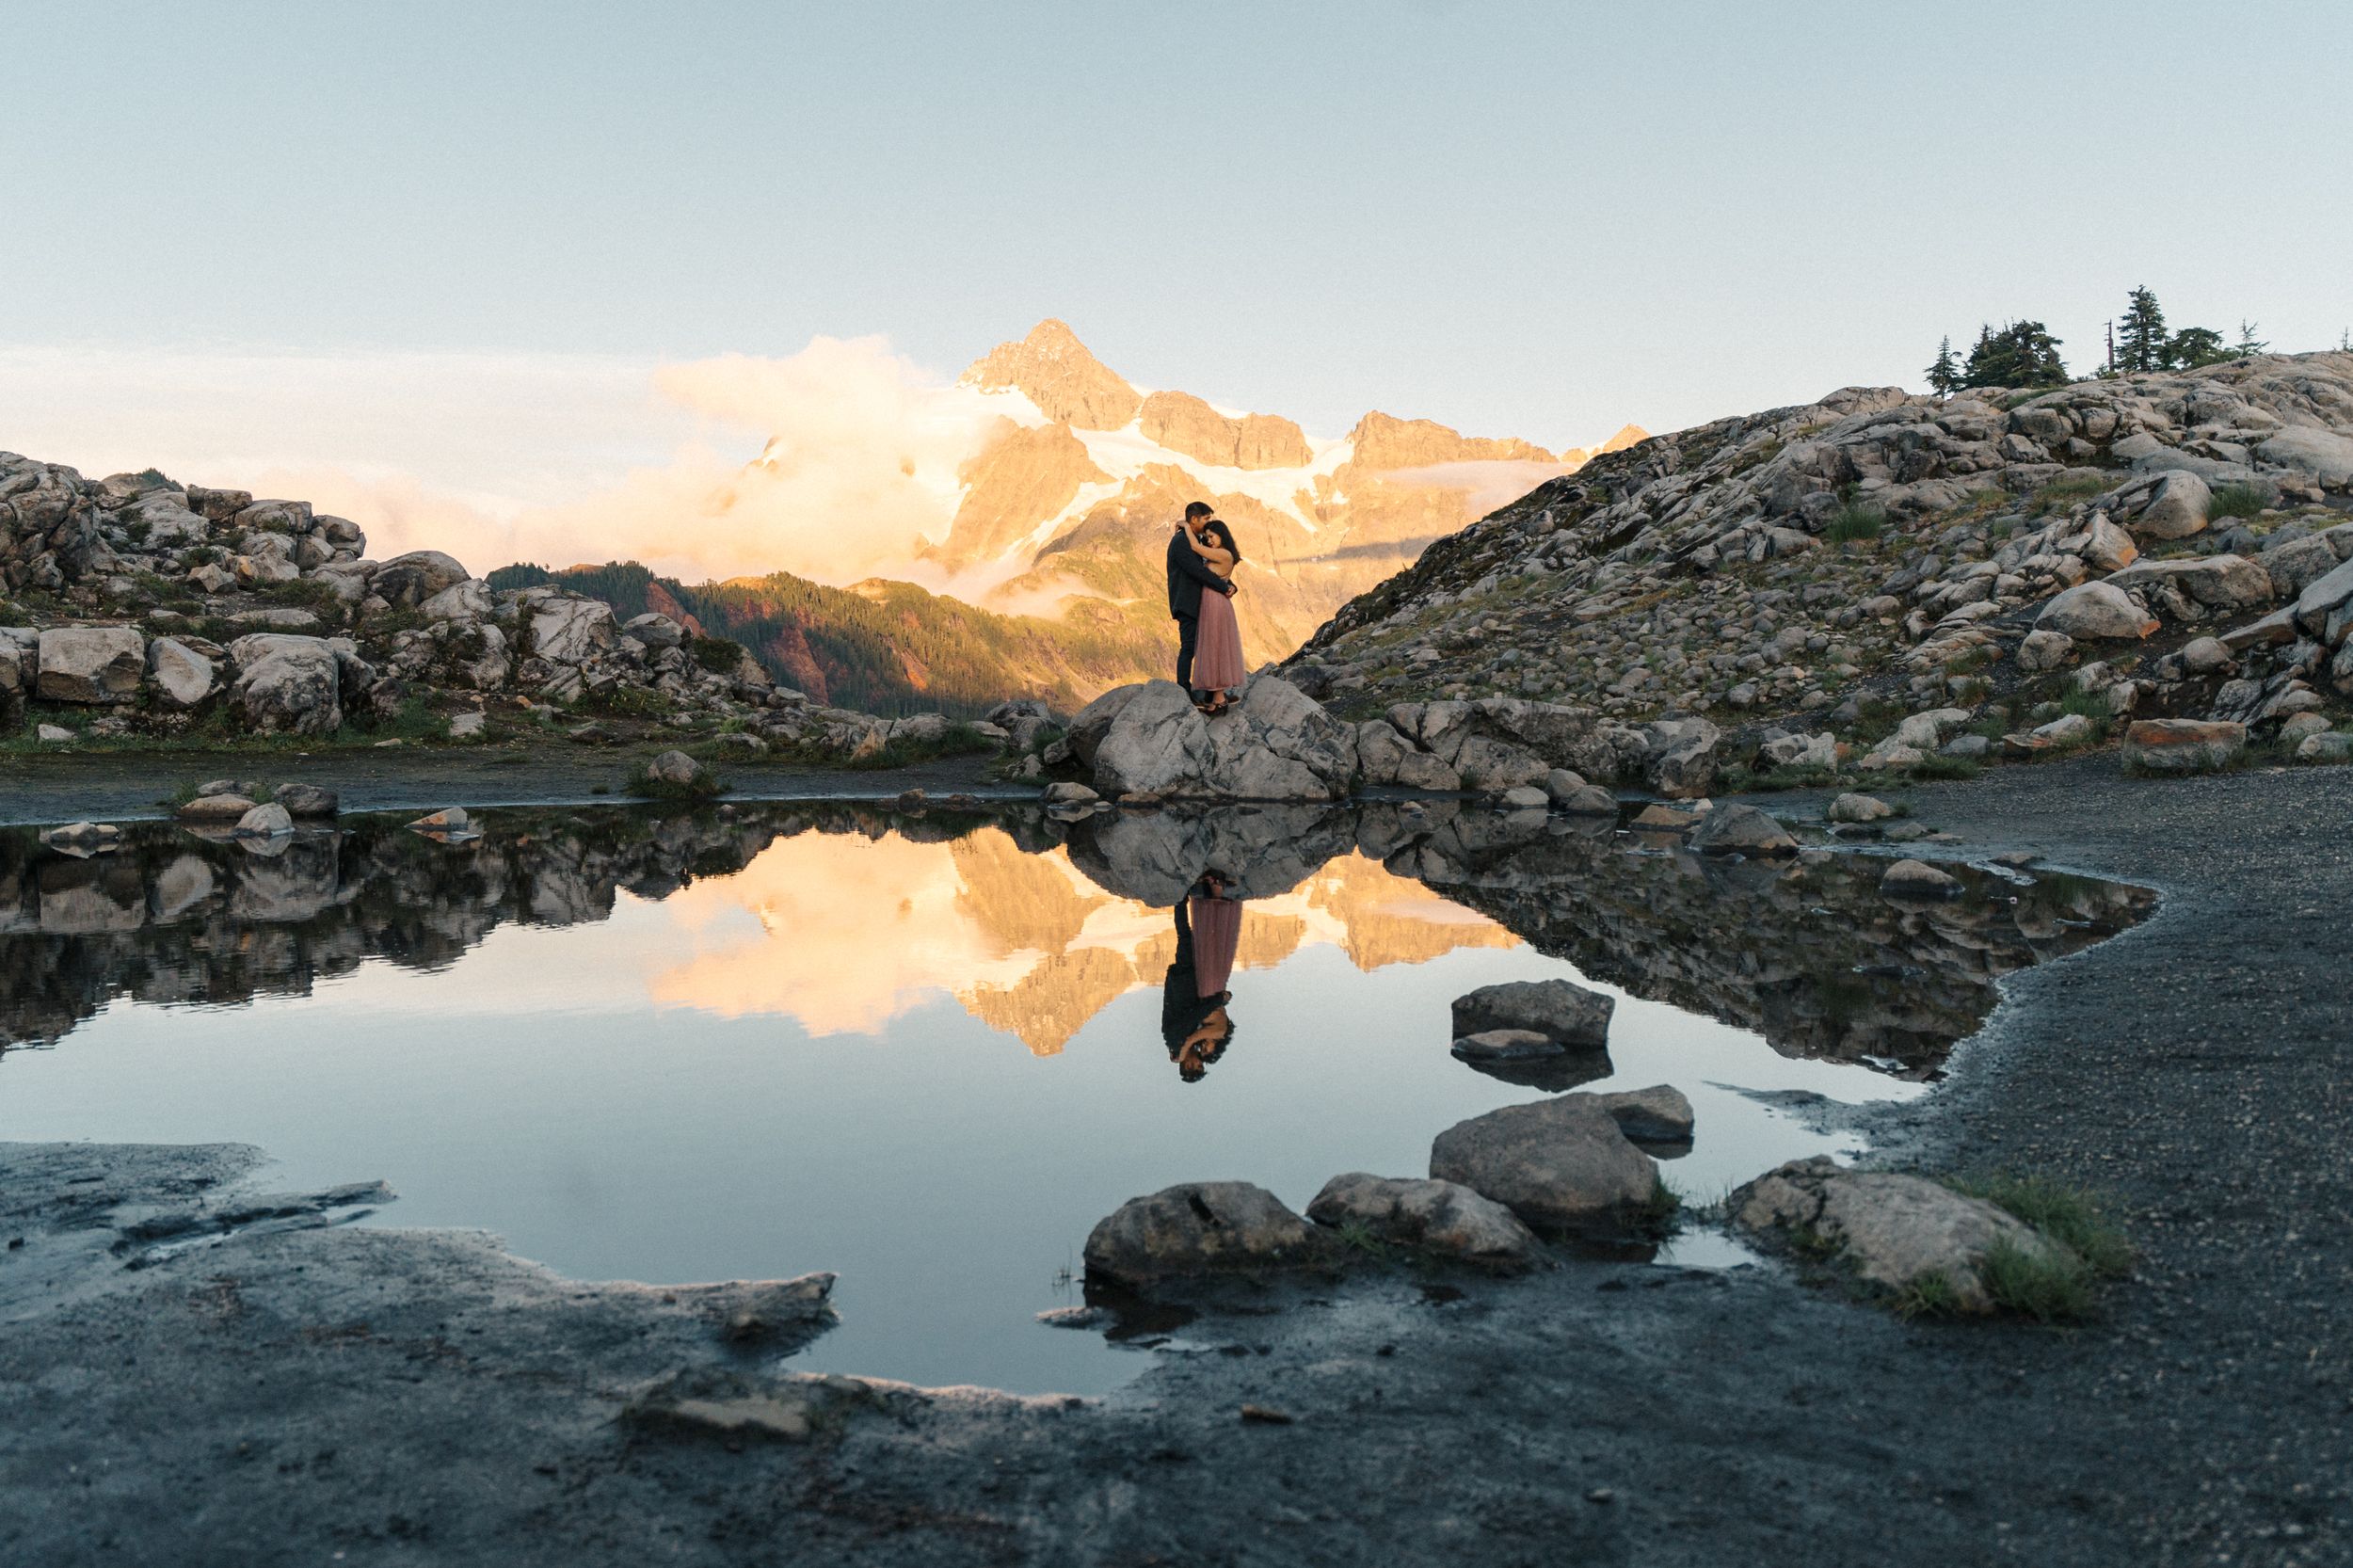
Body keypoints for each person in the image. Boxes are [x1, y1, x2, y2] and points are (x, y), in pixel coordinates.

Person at [1160, 872, 1241, 1082]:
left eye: (1196, 1065)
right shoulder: (1185, 1042)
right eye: (1201, 1064)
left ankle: (1181, 896)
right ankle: (1205, 890)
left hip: (1183, 982)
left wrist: (1218, 1000)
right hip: (1192, 983)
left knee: (1186, 937)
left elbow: (1192, 1016)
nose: (1199, 1060)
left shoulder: (1174, 1040)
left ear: (1187, 1065)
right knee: (1202, 939)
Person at [1165, 500, 1237, 705]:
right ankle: (1184, 691)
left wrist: (1229, 583)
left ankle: (1209, 693)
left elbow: (1211, 567)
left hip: (1200, 603)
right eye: (1205, 519)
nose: (1208, 523)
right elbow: (1196, 571)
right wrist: (1224, 587)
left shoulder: (1195, 540)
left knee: (1205, 647)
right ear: (1194, 519)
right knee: (1189, 646)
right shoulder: (1181, 542)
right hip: (1187, 602)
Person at [1180, 514, 1247, 713]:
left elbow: (1196, 548)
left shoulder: (1224, 554)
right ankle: (1217, 698)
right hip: (1213, 601)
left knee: (1215, 647)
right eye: (1207, 536)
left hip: (1215, 603)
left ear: (1222, 536)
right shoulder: (1223, 553)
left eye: (1212, 536)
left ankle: (1219, 701)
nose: (1209, 540)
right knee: (1214, 645)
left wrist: (1186, 527)